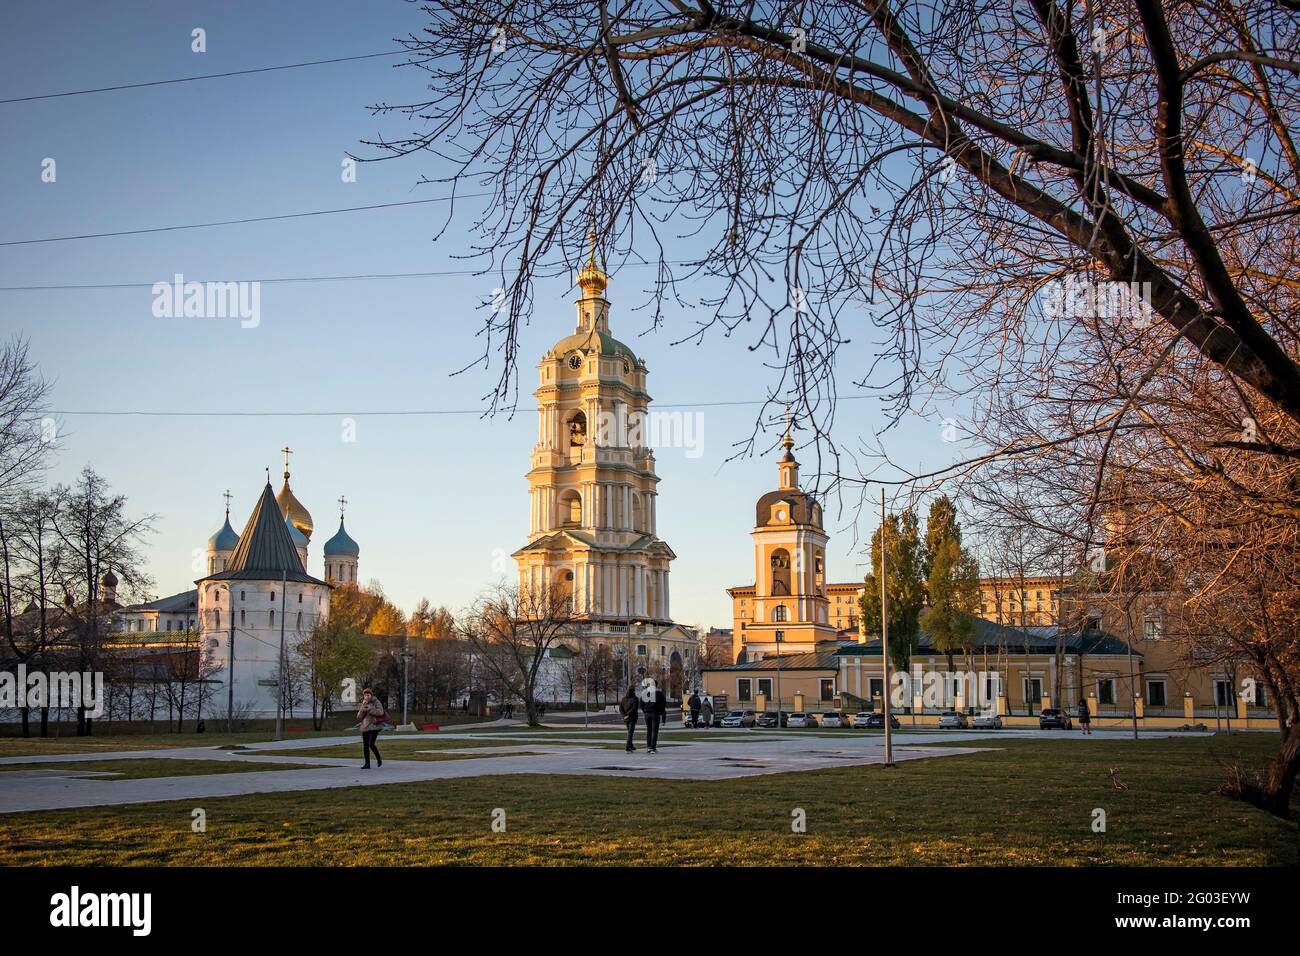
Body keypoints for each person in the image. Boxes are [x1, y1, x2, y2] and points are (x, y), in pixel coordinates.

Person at [357, 688, 385, 769]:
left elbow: (380, 712)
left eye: (368, 695)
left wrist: (370, 709)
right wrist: (362, 710)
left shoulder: (376, 702)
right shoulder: (363, 703)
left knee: (371, 744)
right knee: (365, 745)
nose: (367, 697)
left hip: (374, 726)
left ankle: (378, 758)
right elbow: (359, 717)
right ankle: (367, 763)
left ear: (371, 695)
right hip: (365, 726)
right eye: (365, 695)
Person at [642, 678, 667, 753]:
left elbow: (641, 704)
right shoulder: (659, 693)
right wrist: (660, 712)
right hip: (655, 714)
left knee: (649, 731)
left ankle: (649, 747)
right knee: (654, 731)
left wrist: (645, 711)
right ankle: (653, 747)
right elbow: (663, 704)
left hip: (647, 714)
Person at [619, 684, 640, 753]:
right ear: (634, 690)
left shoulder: (623, 698)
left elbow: (620, 708)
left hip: (626, 718)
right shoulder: (635, 699)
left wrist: (624, 715)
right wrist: (627, 715)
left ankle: (631, 745)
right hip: (632, 718)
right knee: (630, 733)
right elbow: (634, 708)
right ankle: (627, 748)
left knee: (629, 732)